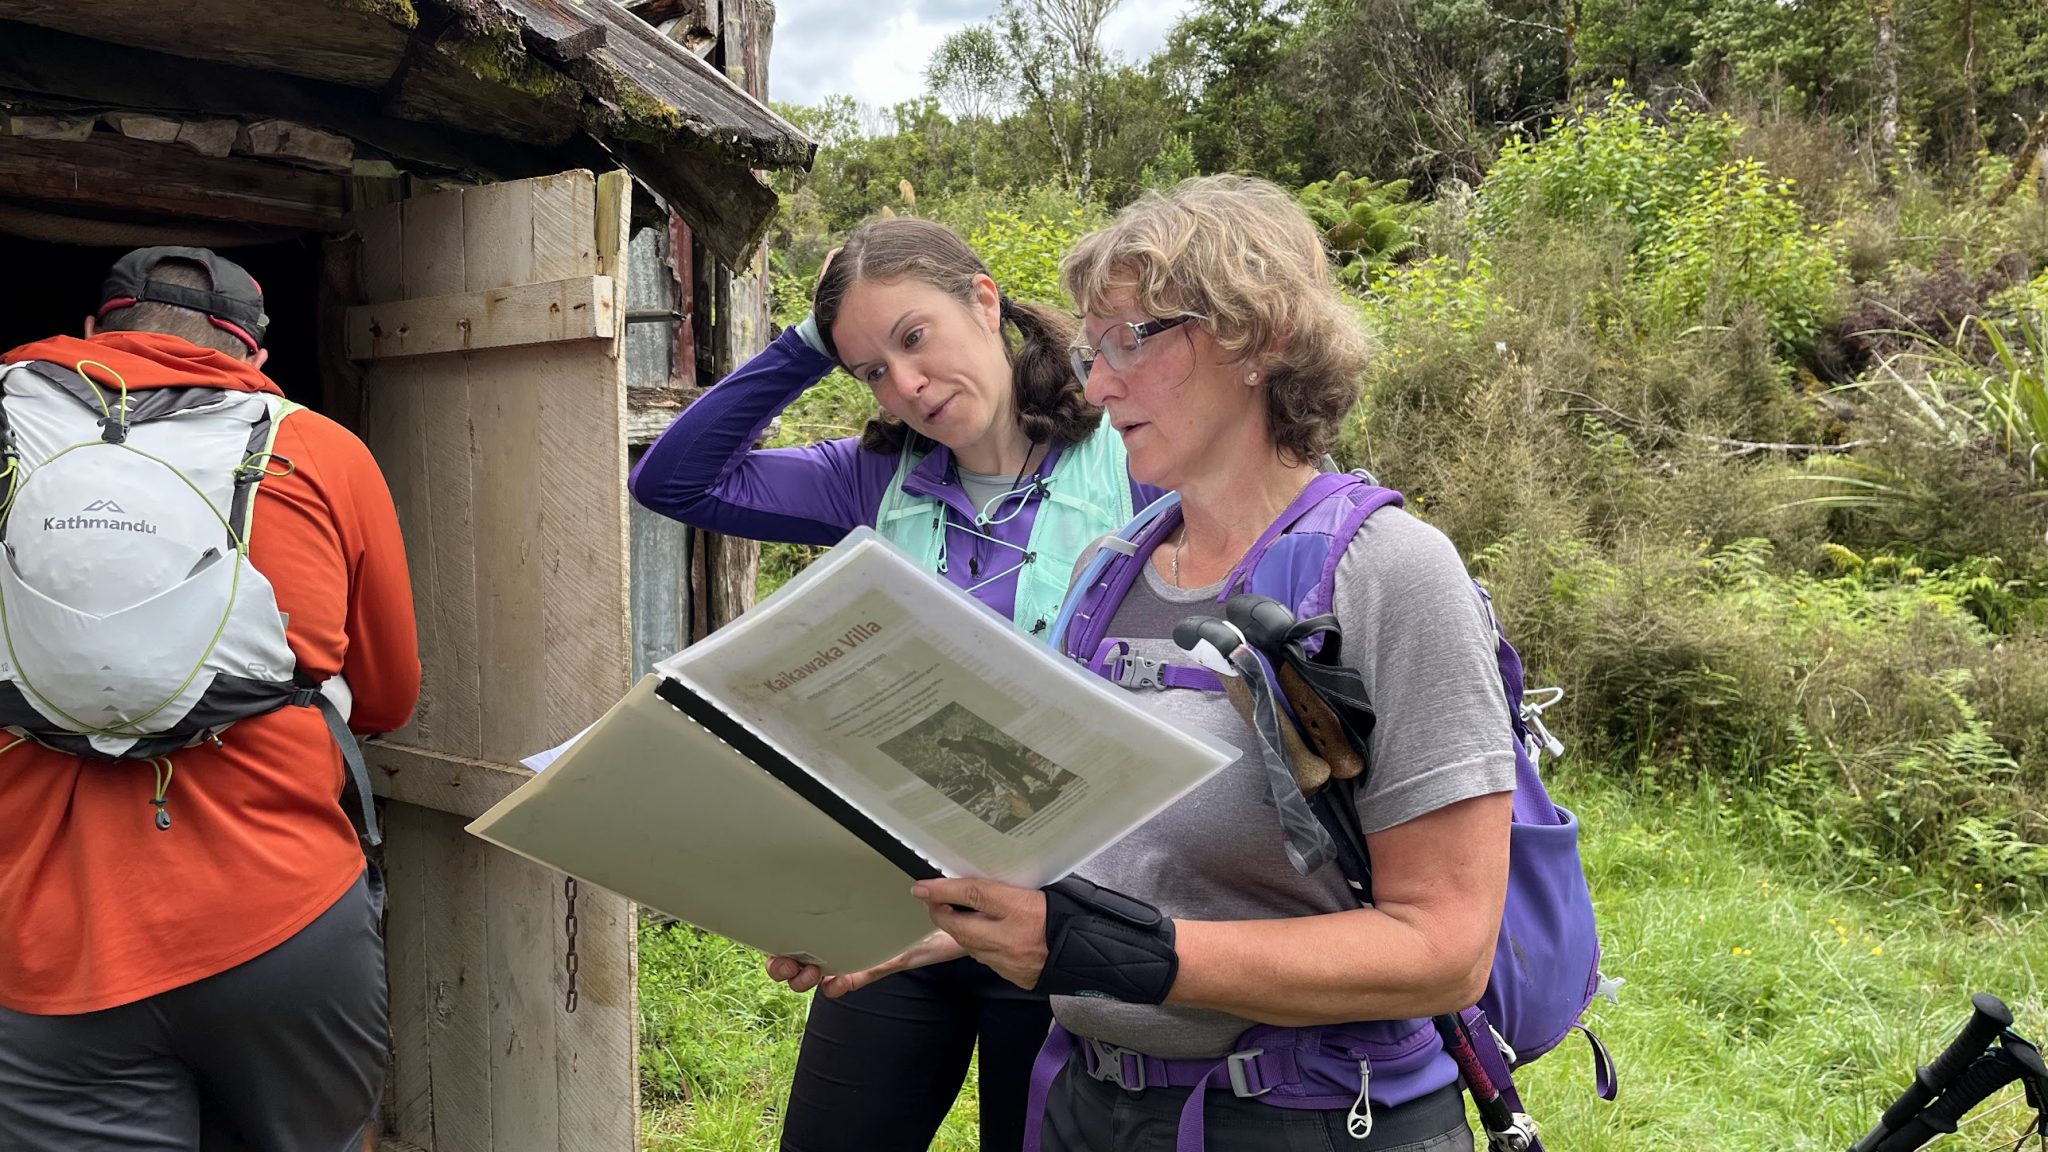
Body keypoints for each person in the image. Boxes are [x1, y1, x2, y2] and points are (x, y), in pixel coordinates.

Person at [768, 176, 1519, 1151]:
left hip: (1303, 1117)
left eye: (1129, 339)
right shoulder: (1106, 574)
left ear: (1264, 335)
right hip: (1089, 1105)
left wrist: (1111, 952)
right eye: (1090, 350)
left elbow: (1444, 952)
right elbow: (1090, 851)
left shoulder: (1388, 574)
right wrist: (933, 925)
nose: (1093, 385)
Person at [630, 217, 1161, 1152]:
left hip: (1063, 917)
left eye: (913, 338)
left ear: (984, 301)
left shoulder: (1132, 459)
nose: (905, 386)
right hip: (903, 908)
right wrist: (811, 339)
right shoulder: (876, 477)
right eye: (871, 370)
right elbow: (672, 482)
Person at [0, 248, 421, 1151]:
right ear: (254, 359)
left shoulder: (8, 420)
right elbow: (388, 694)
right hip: (282, 915)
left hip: (39, 933)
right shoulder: (320, 449)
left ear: (86, 335)